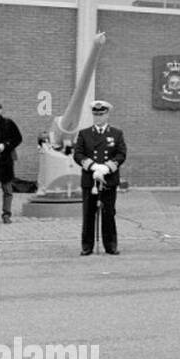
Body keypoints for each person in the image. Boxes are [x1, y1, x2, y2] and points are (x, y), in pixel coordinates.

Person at [73, 99, 128, 256]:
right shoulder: (84, 133)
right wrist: (92, 166)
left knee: (108, 213)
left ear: (107, 115)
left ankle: (110, 245)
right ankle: (87, 246)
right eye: (95, 114)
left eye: (101, 114)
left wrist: (107, 167)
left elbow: (121, 154)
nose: (98, 118)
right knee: (88, 213)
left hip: (108, 180)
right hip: (90, 181)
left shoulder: (116, 134)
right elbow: (78, 154)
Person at [0, 103, 23, 224]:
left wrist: (5, 145)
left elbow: (18, 138)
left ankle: (6, 214)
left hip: (5, 161)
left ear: (0, 110)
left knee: (7, 190)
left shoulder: (8, 123)